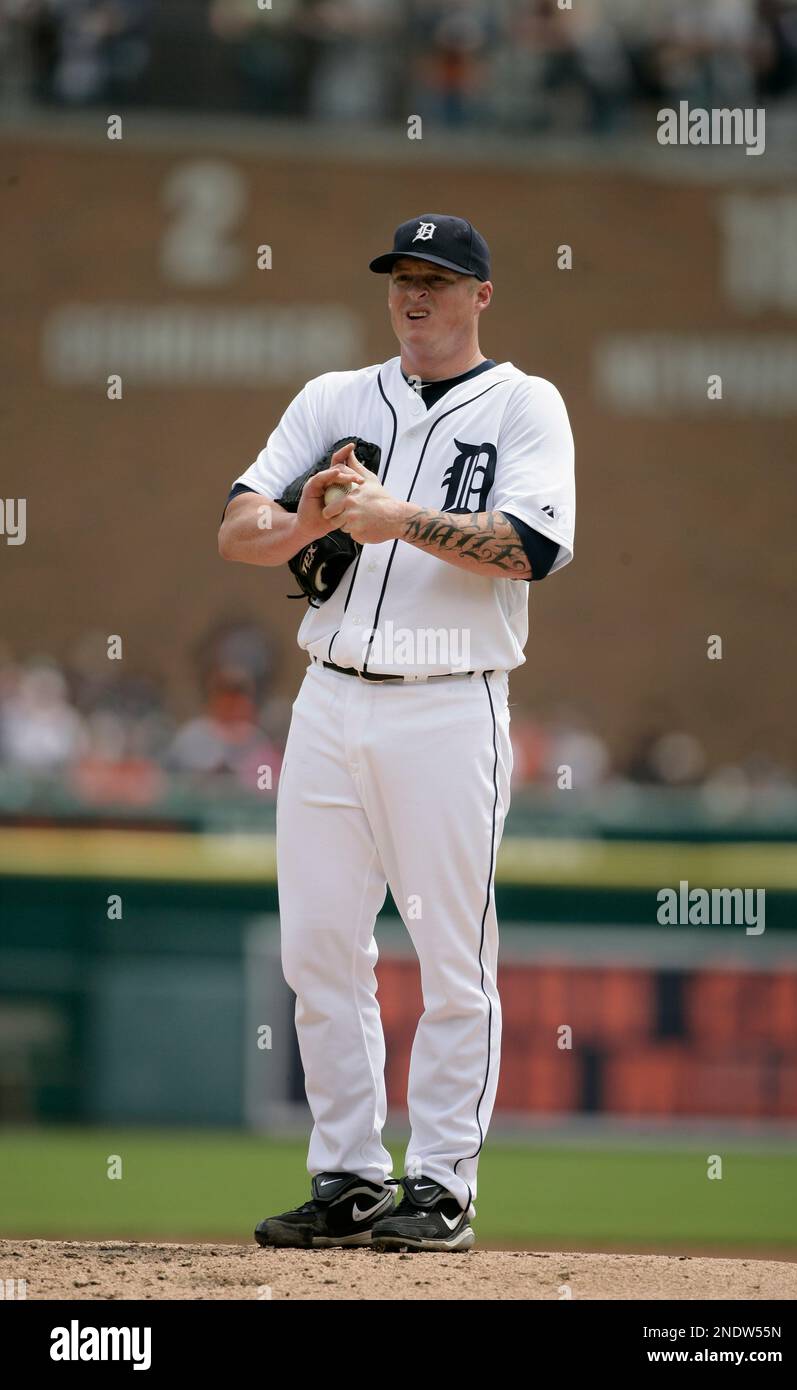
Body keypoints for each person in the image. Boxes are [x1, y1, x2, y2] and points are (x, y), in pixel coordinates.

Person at [217, 213, 575, 1252]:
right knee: (319, 948)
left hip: (449, 700)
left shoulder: (524, 404)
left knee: (450, 957)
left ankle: (444, 1184)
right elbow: (237, 530)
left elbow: (532, 548)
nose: (415, 295)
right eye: (402, 277)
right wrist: (308, 523)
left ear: (480, 295)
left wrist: (400, 517)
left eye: (438, 278)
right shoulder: (334, 397)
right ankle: (347, 1177)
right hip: (328, 695)